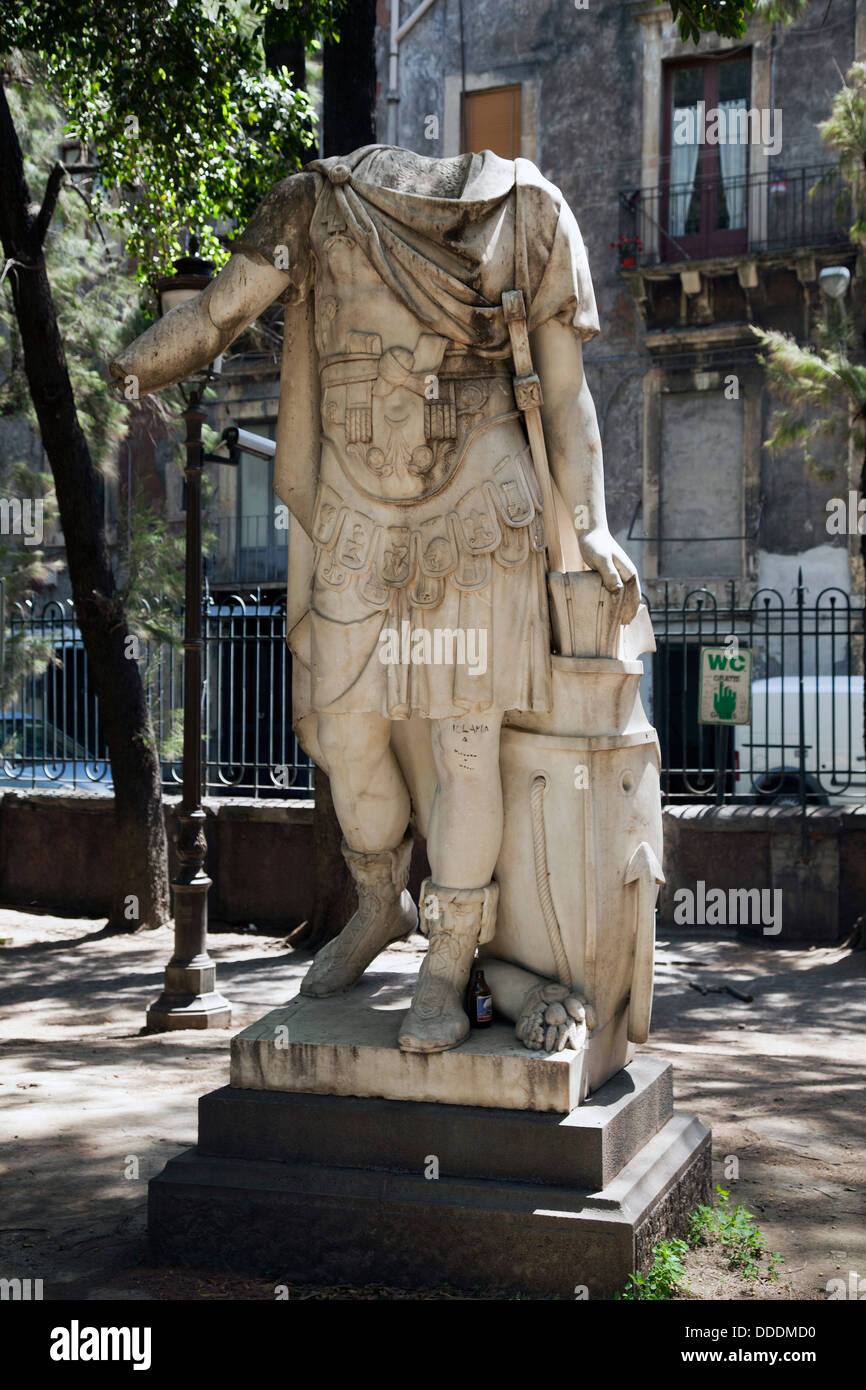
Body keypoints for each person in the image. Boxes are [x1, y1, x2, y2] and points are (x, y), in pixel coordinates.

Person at [110, 144, 637, 1054]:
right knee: (343, 731)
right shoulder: (317, 204)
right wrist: (119, 372)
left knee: (466, 743)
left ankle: (448, 960)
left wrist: (587, 523)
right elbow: (215, 314)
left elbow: (563, 393)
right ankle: (377, 903)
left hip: (481, 502)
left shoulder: (532, 208)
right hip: (355, 508)